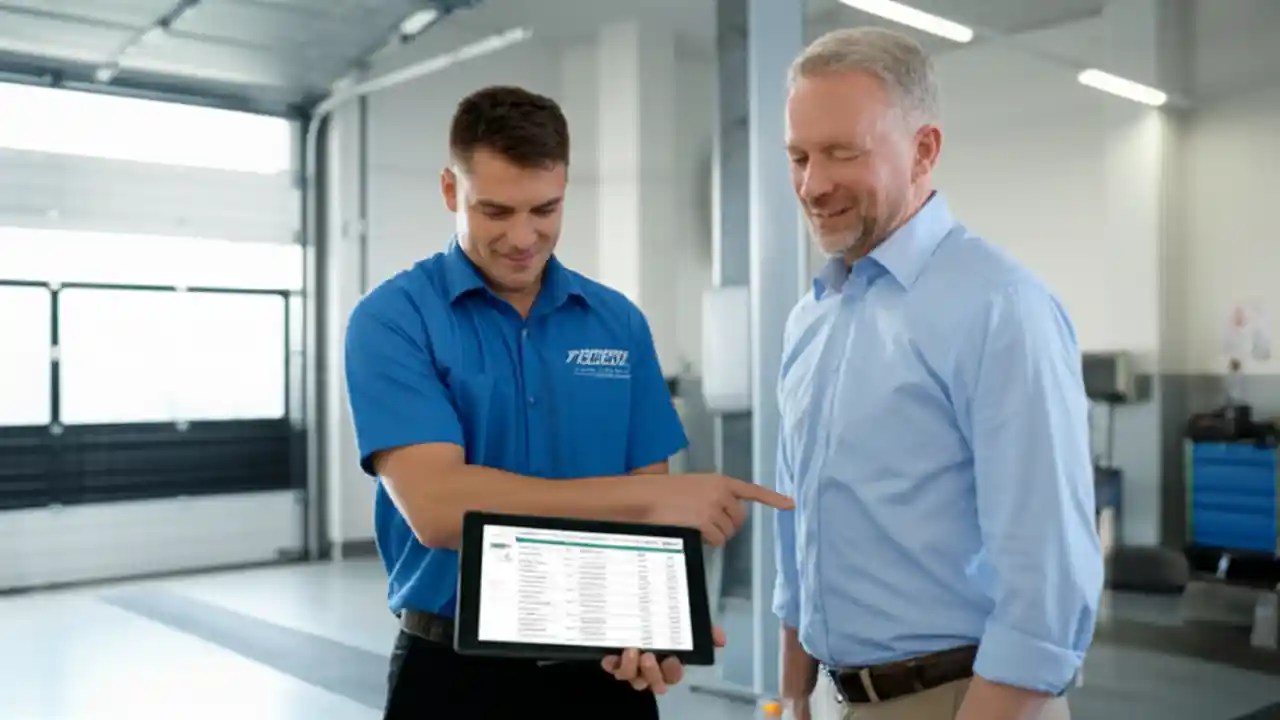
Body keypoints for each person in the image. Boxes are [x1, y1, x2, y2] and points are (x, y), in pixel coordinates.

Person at [344, 85, 790, 719]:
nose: (524, 236)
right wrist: (650, 499)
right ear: (451, 190)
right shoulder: (393, 320)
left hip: (603, 677)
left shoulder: (618, 323)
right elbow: (438, 509)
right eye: (495, 211)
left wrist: (654, 625)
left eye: (545, 209)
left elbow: (648, 517)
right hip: (451, 677)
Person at [772, 27, 1103, 720]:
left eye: (841, 152)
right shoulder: (813, 315)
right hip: (835, 697)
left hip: (963, 699)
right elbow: (800, 528)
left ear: (924, 150)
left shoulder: (1001, 307)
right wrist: (793, 692)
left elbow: (1049, 581)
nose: (812, 184)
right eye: (799, 156)